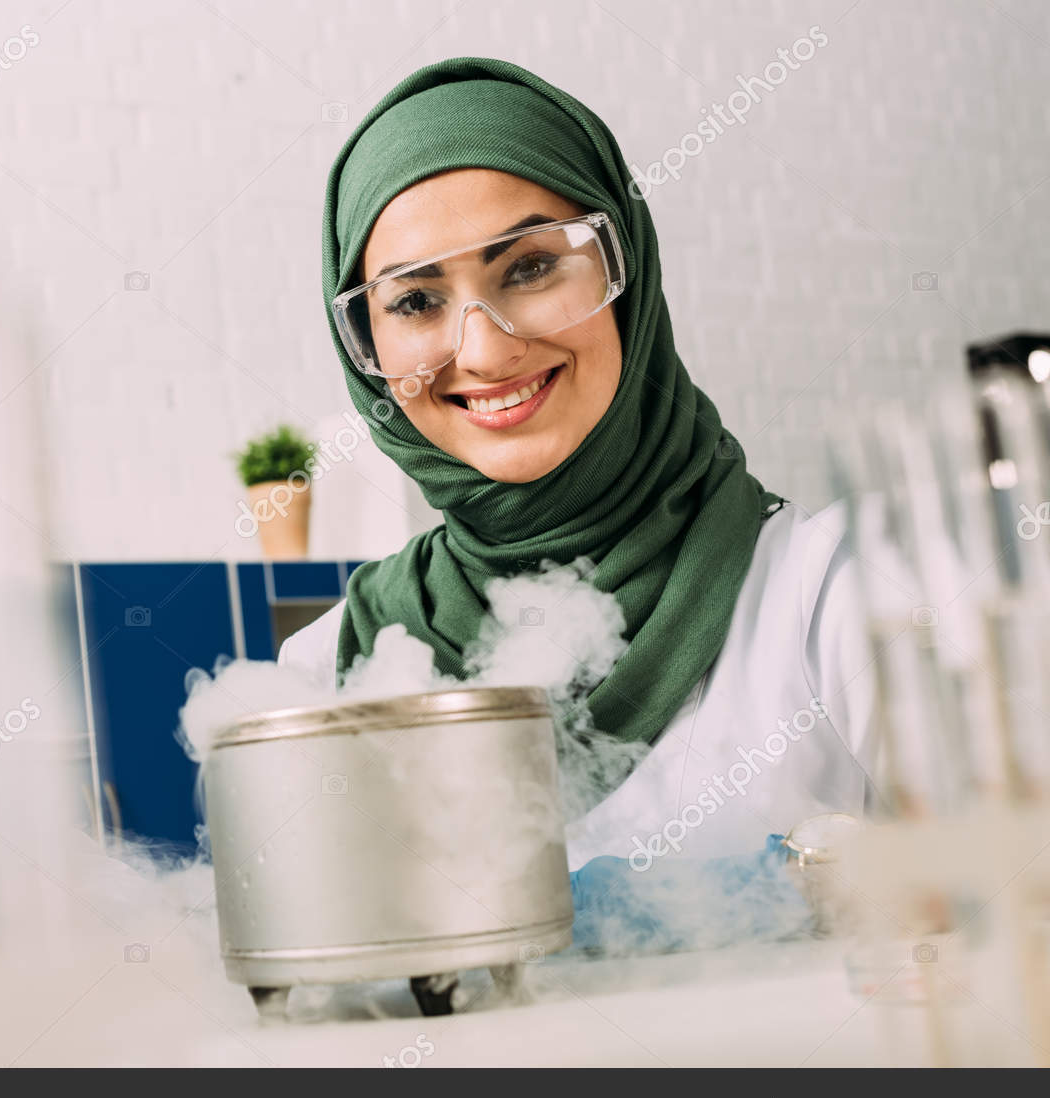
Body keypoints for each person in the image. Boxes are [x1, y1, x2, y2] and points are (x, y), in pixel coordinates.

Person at [278, 58, 877, 870]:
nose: (485, 351)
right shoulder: (329, 673)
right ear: (366, 349)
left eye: (529, 267)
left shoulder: (837, 599)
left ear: (625, 274)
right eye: (416, 301)